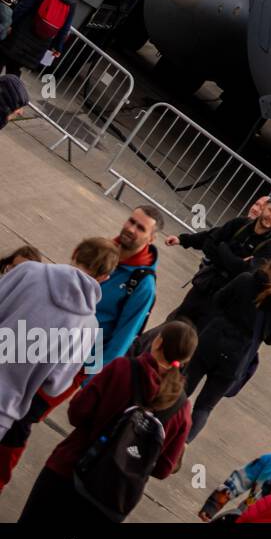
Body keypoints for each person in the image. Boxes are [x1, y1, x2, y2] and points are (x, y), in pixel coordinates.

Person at [17, 321, 197, 523]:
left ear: (157, 342)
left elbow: (76, 412)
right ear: (185, 359)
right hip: (112, 498)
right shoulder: (181, 409)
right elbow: (164, 468)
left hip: (70, 469)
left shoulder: (122, 368)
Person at [0, 238, 115, 452]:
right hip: (6, 407)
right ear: (105, 277)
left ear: (75, 252)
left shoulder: (28, 271)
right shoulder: (90, 326)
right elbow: (56, 385)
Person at [185, 257, 271, 439]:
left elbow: (218, 298)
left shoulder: (245, 279)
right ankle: (183, 445)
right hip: (237, 357)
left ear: (267, 266)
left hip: (212, 340)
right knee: (205, 406)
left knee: (183, 388)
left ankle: (157, 424)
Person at [163, 193, 271, 331]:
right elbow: (209, 241)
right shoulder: (240, 223)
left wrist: (223, 247)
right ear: (264, 207)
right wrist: (183, 239)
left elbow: (245, 272)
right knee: (171, 327)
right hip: (205, 286)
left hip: (225, 301)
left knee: (194, 341)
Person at [95, 206, 163, 368]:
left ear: (151, 238)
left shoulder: (143, 285)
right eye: (131, 221)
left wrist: (87, 382)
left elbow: (122, 340)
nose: (131, 229)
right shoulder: (100, 250)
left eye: (141, 228)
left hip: (80, 360)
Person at [0, 0, 80, 75]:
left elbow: (25, 5)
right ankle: (11, 91)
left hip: (20, 33)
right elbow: (65, 27)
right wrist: (58, 47)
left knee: (3, 57)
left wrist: (11, 23)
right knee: (14, 69)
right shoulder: (73, 0)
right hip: (41, 43)